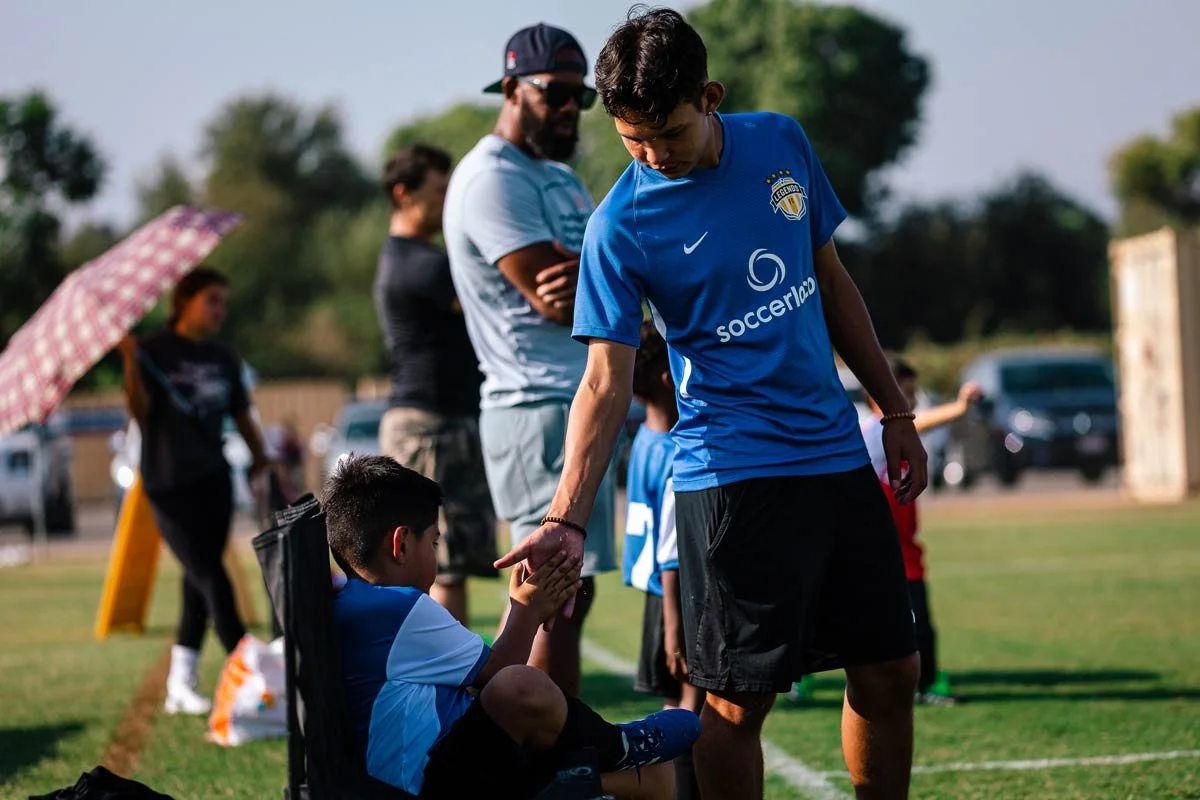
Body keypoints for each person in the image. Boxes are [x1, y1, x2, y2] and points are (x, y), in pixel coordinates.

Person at [496, 9, 929, 800]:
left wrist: (893, 412)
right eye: (634, 140)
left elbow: (831, 282)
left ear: (711, 96)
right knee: (734, 702)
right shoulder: (618, 226)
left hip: (835, 454)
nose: (654, 156)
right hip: (731, 476)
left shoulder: (781, 143)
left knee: (892, 668)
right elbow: (604, 381)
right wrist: (563, 516)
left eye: (669, 133)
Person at [324, 455, 700, 800]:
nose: (436, 555)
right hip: (426, 786)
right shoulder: (395, 608)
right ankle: (617, 744)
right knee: (520, 686)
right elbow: (500, 675)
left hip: (442, 770)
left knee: (657, 777)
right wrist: (527, 609)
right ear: (402, 544)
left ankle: (574, 778)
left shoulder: (357, 604)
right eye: (434, 542)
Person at [443, 22, 618, 696]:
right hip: (531, 406)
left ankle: (553, 754)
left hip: (570, 402)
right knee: (548, 603)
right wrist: (602, 281)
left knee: (571, 600)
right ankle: (537, 763)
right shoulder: (490, 178)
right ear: (512, 88)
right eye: (556, 93)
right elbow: (554, 298)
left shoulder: (561, 178)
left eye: (583, 97)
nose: (571, 108)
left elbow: (599, 281)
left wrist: (598, 277)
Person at [117, 266, 271, 716]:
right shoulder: (150, 352)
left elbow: (241, 414)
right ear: (184, 300)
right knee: (210, 574)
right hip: (168, 485)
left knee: (197, 579)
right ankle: (251, 668)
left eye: (223, 300)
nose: (220, 309)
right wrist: (129, 359)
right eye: (212, 300)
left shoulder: (224, 357)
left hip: (213, 479)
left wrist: (261, 459)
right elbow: (140, 412)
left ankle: (180, 684)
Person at [374, 142, 498, 626]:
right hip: (427, 426)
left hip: (444, 421)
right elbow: (492, 294)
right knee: (436, 567)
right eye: (440, 189)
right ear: (404, 194)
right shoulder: (417, 264)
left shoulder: (419, 258)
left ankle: (452, 684)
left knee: (452, 566)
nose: (449, 199)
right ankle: (445, 686)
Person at [863, 356, 981, 706]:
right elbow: (923, 422)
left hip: (906, 552)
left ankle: (925, 685)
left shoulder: (894, 433)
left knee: (922, 627)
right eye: (907, 392)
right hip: (878, 556)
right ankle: (801, 678)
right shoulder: (874, 433)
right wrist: (959, 408)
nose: (912, 401)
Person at [622, 321, 703, 800]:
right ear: (669, 377)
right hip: (679, 597)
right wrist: (675, 625)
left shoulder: (644, 443)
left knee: (677, 709)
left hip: (658, 595)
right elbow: (671, 547)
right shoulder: (677, 449)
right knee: (692, 714)